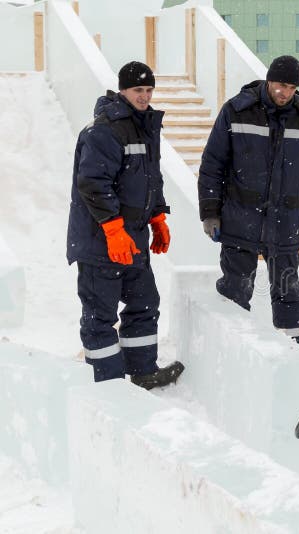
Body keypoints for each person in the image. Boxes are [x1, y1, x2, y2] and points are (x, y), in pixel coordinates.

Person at [66, 61, 184, 389]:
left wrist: (157, 216)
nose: (144, 96)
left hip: (133, 238)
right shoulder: (103, 130)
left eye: (148, 90)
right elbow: (92, 183)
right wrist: (113, 229)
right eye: (138, 90)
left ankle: (143, 371)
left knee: (143, 303)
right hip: (100, 239)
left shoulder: (144, 128)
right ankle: (109, 384)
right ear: (123, 91)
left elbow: (149, 180)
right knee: (100, 314)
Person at [198, 55, 299, 346]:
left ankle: (292, 355)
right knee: (235, 292)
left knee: (289, 292)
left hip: (285, 222)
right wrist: (210, 212)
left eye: (292, 87)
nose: (286, 93)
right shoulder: (237, 110)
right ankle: (232, 355)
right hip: (239, 219)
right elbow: (212, 165)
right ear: (269, 80)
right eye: (281, 85)